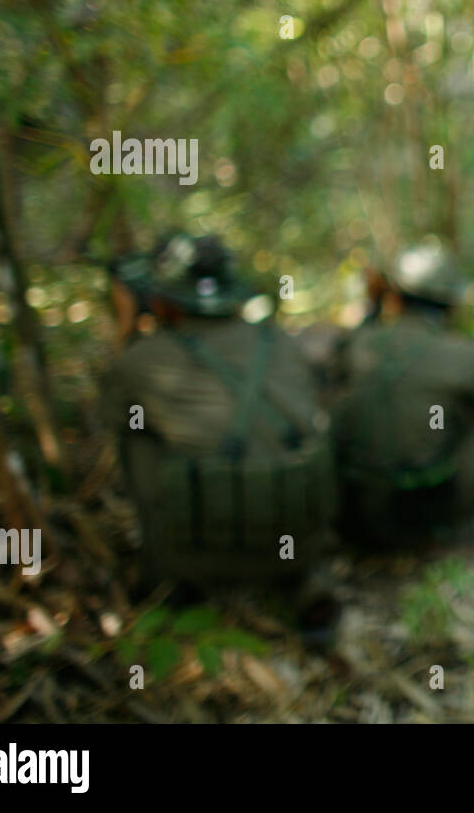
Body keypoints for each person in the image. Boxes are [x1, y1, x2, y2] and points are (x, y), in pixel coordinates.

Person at [103, 234, 337, 590]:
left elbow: (112, 413)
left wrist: (127, 327)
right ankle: (300, 576)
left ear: (161, 298)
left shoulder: (141, 361)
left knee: (135, 432)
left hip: (200, 560)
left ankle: (163, 571)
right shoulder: (281, 342)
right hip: (298, 547)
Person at [331, 240, 474, 549]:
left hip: (352, 513)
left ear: (395, 298)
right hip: (426, 515)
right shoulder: (467, 355)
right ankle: (459, 526)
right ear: (453, 305)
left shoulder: (359, 343)